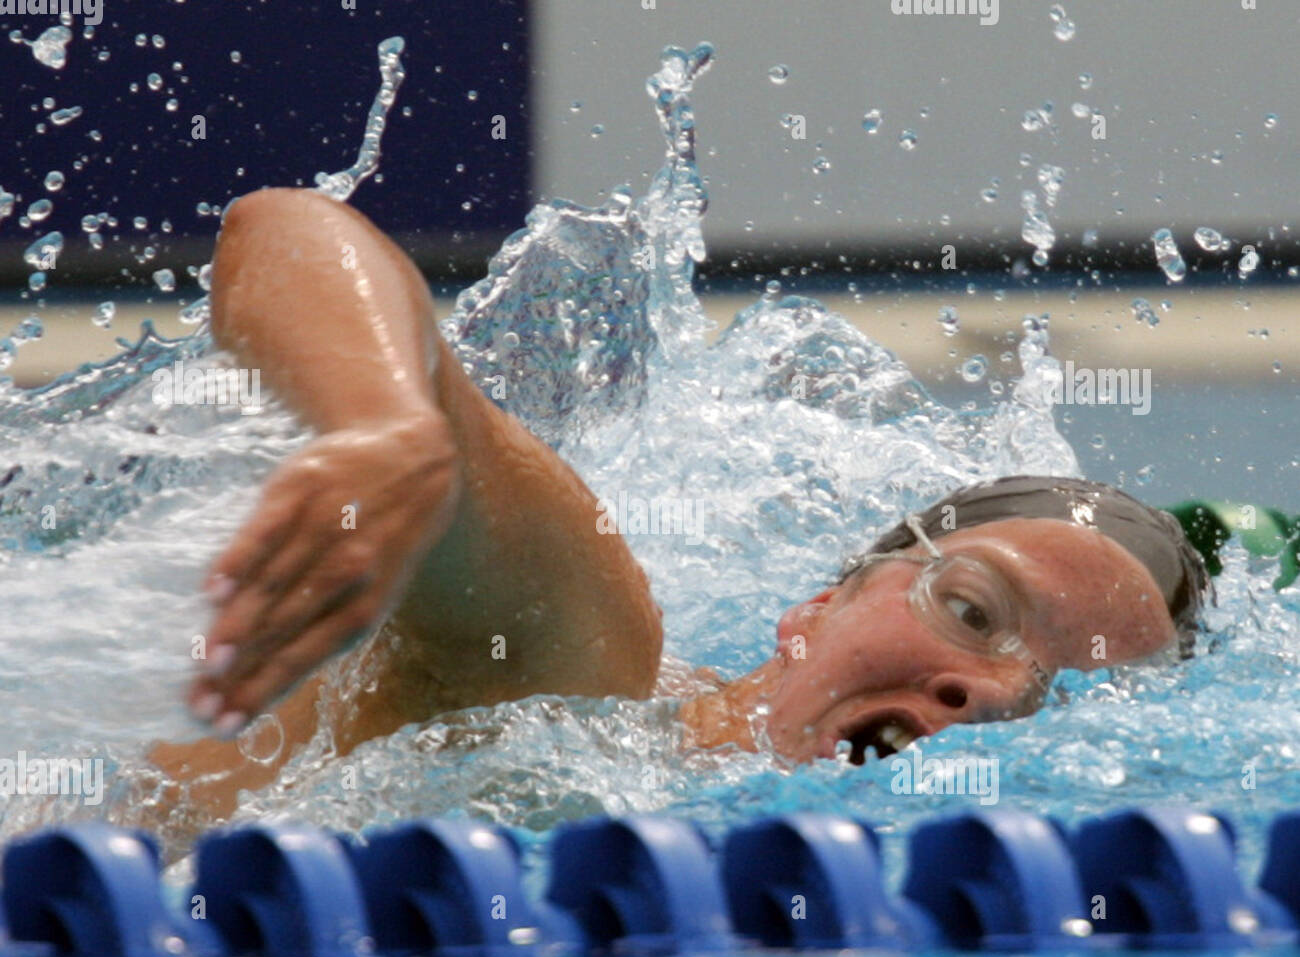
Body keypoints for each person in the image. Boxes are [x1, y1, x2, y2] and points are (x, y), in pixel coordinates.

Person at [147, 187, 1210, 818]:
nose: (988, 693)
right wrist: (386, 422)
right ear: (820, 602)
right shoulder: (581, 674)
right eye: (973, 610)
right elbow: (290, 230)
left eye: (1052, 700)